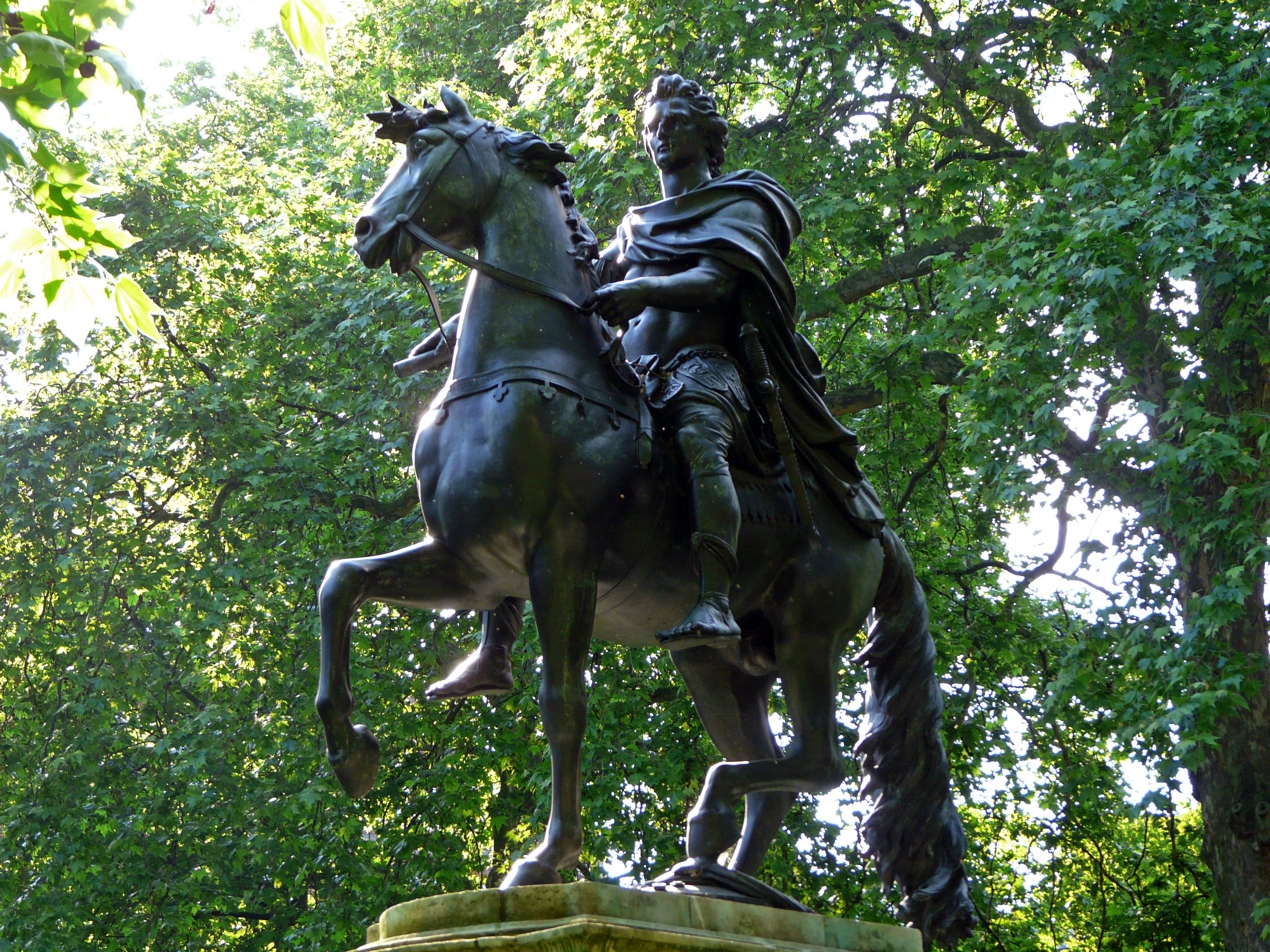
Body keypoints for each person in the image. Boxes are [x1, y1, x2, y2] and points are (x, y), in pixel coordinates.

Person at [425, 73, 886, 699]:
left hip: (706, 364)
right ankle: (495, 646)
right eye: (652, 126)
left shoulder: (744, 202)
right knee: (531, 458)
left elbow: (718, 282)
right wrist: (461, 326)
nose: (661, 134)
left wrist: (645, 290)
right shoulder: (634, 225)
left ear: (706, 134)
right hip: (633, 374)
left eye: (674, 122)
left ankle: (716, 597)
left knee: (700, 435)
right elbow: (577, 286)